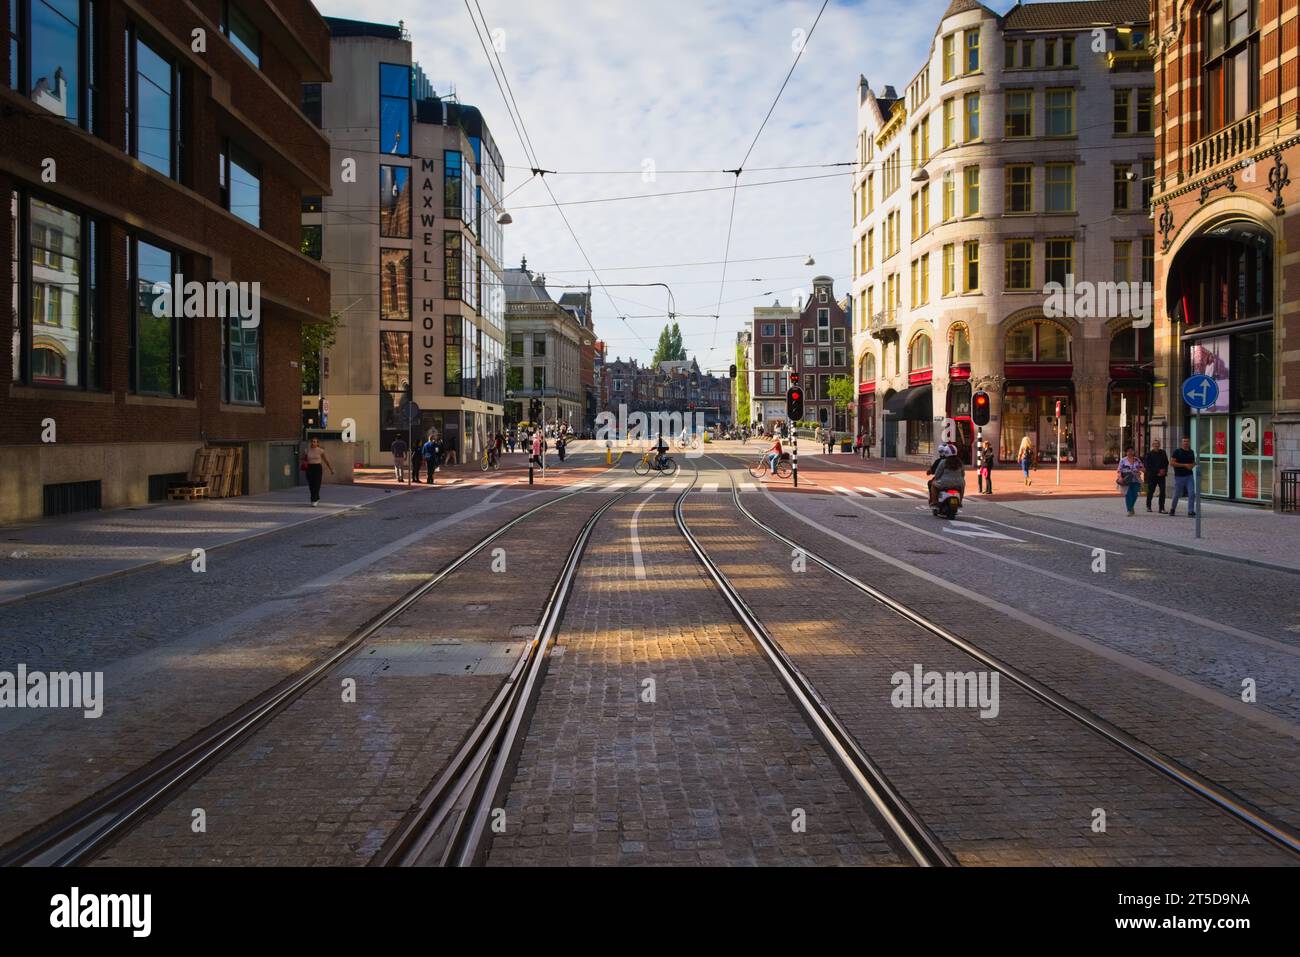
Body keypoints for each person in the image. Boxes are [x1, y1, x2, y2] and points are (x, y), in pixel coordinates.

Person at [1169, 436, 1197, 517]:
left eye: (1187, 441)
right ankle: (1173, 508)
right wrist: (1185, 465)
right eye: (1184, 441)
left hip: (1189, 476)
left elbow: (1192, 462)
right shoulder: (1177, 451)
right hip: (1179, 476)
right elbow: (1172, 463)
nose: (1186, 443)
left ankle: (1190, 511)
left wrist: (1192, 465)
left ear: (1189, 442)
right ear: (1181, 443)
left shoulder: (1191, 452)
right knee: (1177, 494)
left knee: (1191, 493)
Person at [302, 437, 335, 507]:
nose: (313, 443)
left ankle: (315, 500)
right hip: (309, 468)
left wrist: (331, 469)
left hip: (317, 468)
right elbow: (304, 459)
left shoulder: (320, 451)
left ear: (317, 443)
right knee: (311, 484)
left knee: (316, 484)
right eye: (312, 441)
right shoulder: (307, 450)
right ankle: (314, 498)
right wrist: (303, 460)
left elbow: (326, 460)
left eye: (315, 442)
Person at [1116, 447, 1144, 516]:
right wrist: (1120, 477)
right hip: (1127, 479)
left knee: (1135, 494)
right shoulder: (1123, 460)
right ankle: (1129, 510)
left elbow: (1142, 468)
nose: (1130, 452)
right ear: (1126, 452)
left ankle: (1131, 507)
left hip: (1136, 479)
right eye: (1128, 451)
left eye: (1131, 451)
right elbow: (1119, 470)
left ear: (1134, 452)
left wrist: (1139, 470)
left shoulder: (1137, 460)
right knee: (1128, 494)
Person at [1144, 438, 1169, 513]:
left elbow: (1166, 463)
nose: (1156, 445)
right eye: (1155, 444)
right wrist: (1157, 471)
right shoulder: (1149, 454)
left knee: (1163, 491)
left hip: (1161, 476)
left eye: (1157, 444)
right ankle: (1148, 506)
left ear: (1159, 445)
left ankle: (1161, 508)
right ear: (1152, 445)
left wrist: (1164, 471)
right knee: (1151, 491)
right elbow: (1148, 465)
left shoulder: (1163, 452)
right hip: (1152, 476)